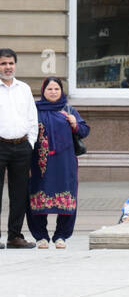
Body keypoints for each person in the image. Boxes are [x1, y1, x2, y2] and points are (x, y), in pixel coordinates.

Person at [27, 77, 89, 250]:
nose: (53, 92)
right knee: (37, 196)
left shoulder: (68, 109)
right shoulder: (34, 110)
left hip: (64, 163)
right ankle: (41, 237)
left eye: (56, 89)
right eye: (49, 89)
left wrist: (74, 123)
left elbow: (84, 131)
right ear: (43, 91)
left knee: (67, 197)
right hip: (40, 163)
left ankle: (61, 236)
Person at [0, 48, 38, 249]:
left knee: (19, 194)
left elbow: (32, 117)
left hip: (21, 146)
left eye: (11, 63)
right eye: (3, 63)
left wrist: (29, 143)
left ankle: (14, 236)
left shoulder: (24, 88)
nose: (8, 67)